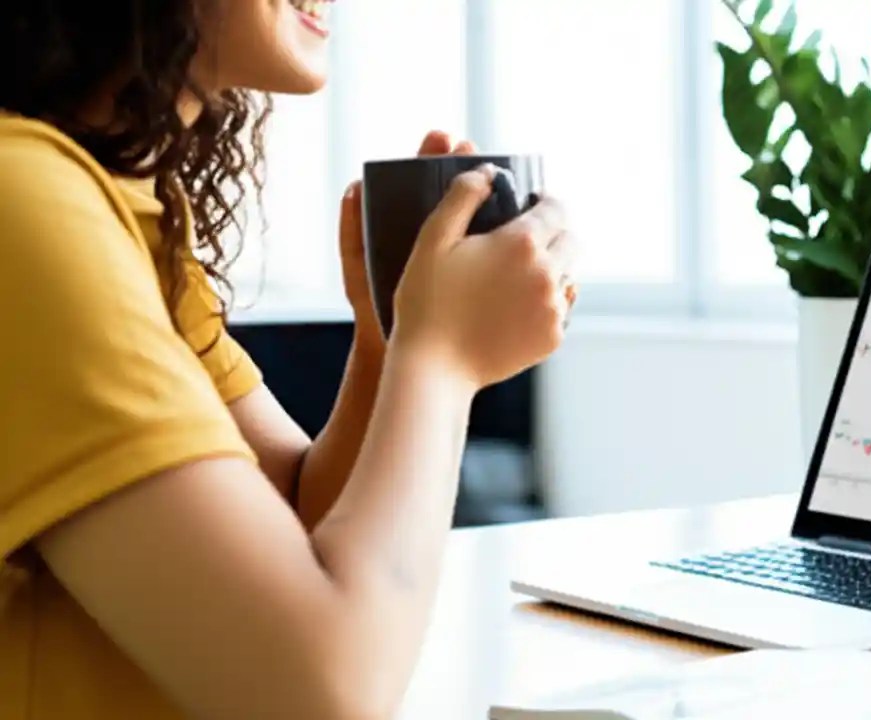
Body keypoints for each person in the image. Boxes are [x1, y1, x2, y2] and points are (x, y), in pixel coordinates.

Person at [0, 2, 575, 718]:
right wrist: (443, 360)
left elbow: (291, 522)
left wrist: (391, 344)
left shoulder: (127, 208)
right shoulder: (22, 202)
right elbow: (326, 694)